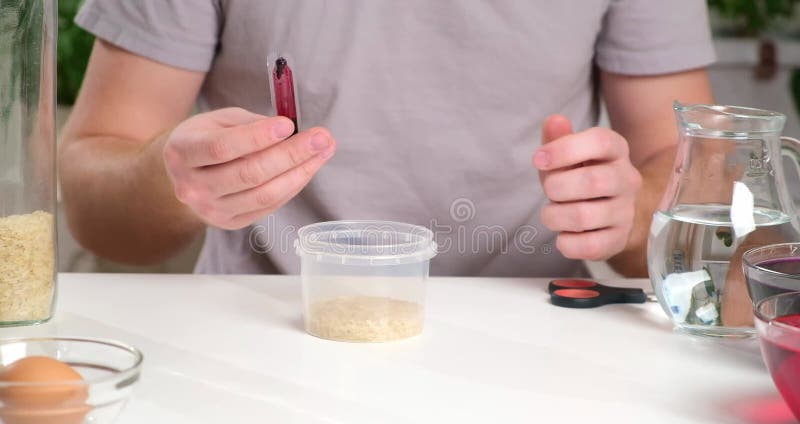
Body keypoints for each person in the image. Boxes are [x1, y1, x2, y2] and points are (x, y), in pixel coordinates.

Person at [60, 0, 715, 278]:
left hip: (532, 339)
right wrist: (173, 182)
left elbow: (695, 171)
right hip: (259, 328)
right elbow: (94, 198)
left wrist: (634, 216)